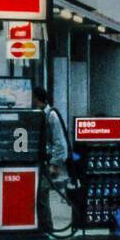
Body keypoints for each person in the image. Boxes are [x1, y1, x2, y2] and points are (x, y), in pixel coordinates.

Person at [33, 86, 68, 232]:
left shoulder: (51, 115)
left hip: (49, 162)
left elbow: (60, 143)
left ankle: (47, 228)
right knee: (38, 194)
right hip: (39, 161)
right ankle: (42, 226)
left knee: (42, 193)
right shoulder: (38, 114)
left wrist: (54, 164)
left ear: (36, 98)